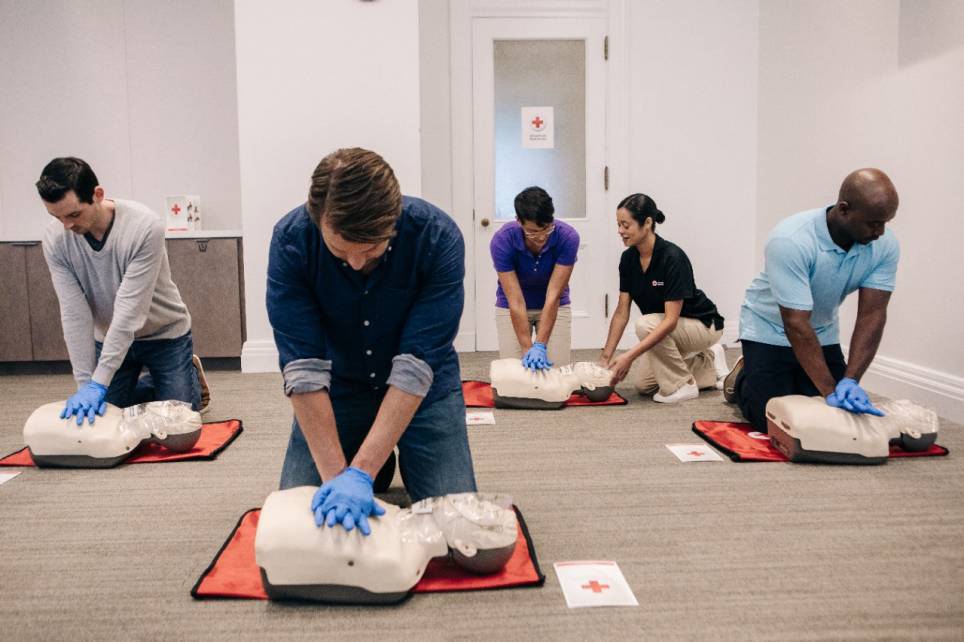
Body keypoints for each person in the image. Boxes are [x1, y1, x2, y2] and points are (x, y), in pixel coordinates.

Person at [267, 147, 477, 537]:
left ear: (392, 220)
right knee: (301, 526)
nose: (356, 263)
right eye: (340, 251)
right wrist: (337, 480)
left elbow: (417, 364)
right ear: (317, 220)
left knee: (458, 531)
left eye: (371, 250)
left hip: (425, 394)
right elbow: (302, 368)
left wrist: (359, 472)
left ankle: (376, 459)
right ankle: (375, 460)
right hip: (339, 389)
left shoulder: (437, 236)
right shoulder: (291, 240)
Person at [36, 157, 208, 425]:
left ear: (98, 194)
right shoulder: (56, 239)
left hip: (164, 335)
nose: (66, 225)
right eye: (56, 217)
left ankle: (189, 375)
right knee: (104, 419)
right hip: (109, 339)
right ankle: (154, 385)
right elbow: (74, 313)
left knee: (178, 424)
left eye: (74, 215)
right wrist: (86, 384)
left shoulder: (144, 227)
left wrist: (100, 382)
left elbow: (129, 312)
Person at [725, 168, 900, 431]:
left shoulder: (884, 246)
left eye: (886, 222)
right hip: (769, 327)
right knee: (772, 420)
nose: (880, 232)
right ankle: (743, 377)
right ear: (844, 209)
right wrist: (830, 391)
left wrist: (850, 381)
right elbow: (795, 322)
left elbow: (872, 314)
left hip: (820, 330)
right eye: (873, 223)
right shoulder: (791, 239)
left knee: (830, 418)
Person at [599, 193, 728, 403]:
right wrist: (605, 359)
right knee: (644, 385)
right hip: (668, 327)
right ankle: (710, 362)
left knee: (645, 324)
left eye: (626, 225)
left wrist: (629, 356)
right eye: (618, 225)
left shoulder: (672, 257)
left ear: (647, 223)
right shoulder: (628, 259)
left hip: (704, 325)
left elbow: (670, 321)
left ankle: (684, 385)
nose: (620, 231)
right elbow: (622, 312)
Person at [490, 186, 579, 370]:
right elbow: (515, 300)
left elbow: (553, 295)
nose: (541, 237)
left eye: (546, 229)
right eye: (532, 232)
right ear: (518, 221)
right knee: (514, 374)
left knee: (557, 374)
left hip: (554, 304)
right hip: (512, 305)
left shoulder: (568, 237)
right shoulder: (502, 240)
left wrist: (539, 345)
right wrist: (526, 347)